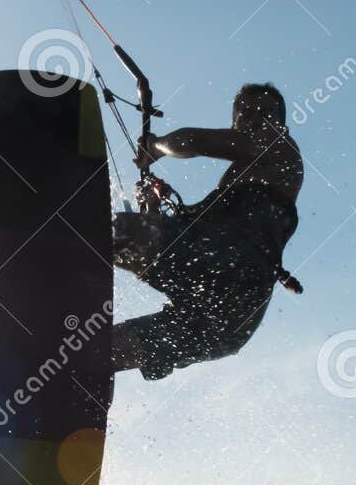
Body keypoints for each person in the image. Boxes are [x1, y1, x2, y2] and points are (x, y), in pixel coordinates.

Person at [110, 83, 304, 381]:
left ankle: (44, 252)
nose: (255, 120)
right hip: (230, 324)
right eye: (246, 114)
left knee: (121, 233)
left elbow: (195, 141)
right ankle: (58, 371)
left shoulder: (281, 147)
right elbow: (168, 250)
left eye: (266, 114)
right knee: (109, 347)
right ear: (234, 123)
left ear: (282, 124)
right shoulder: (234, 187)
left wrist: (156, 146)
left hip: (234, 276)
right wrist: (151, 205)